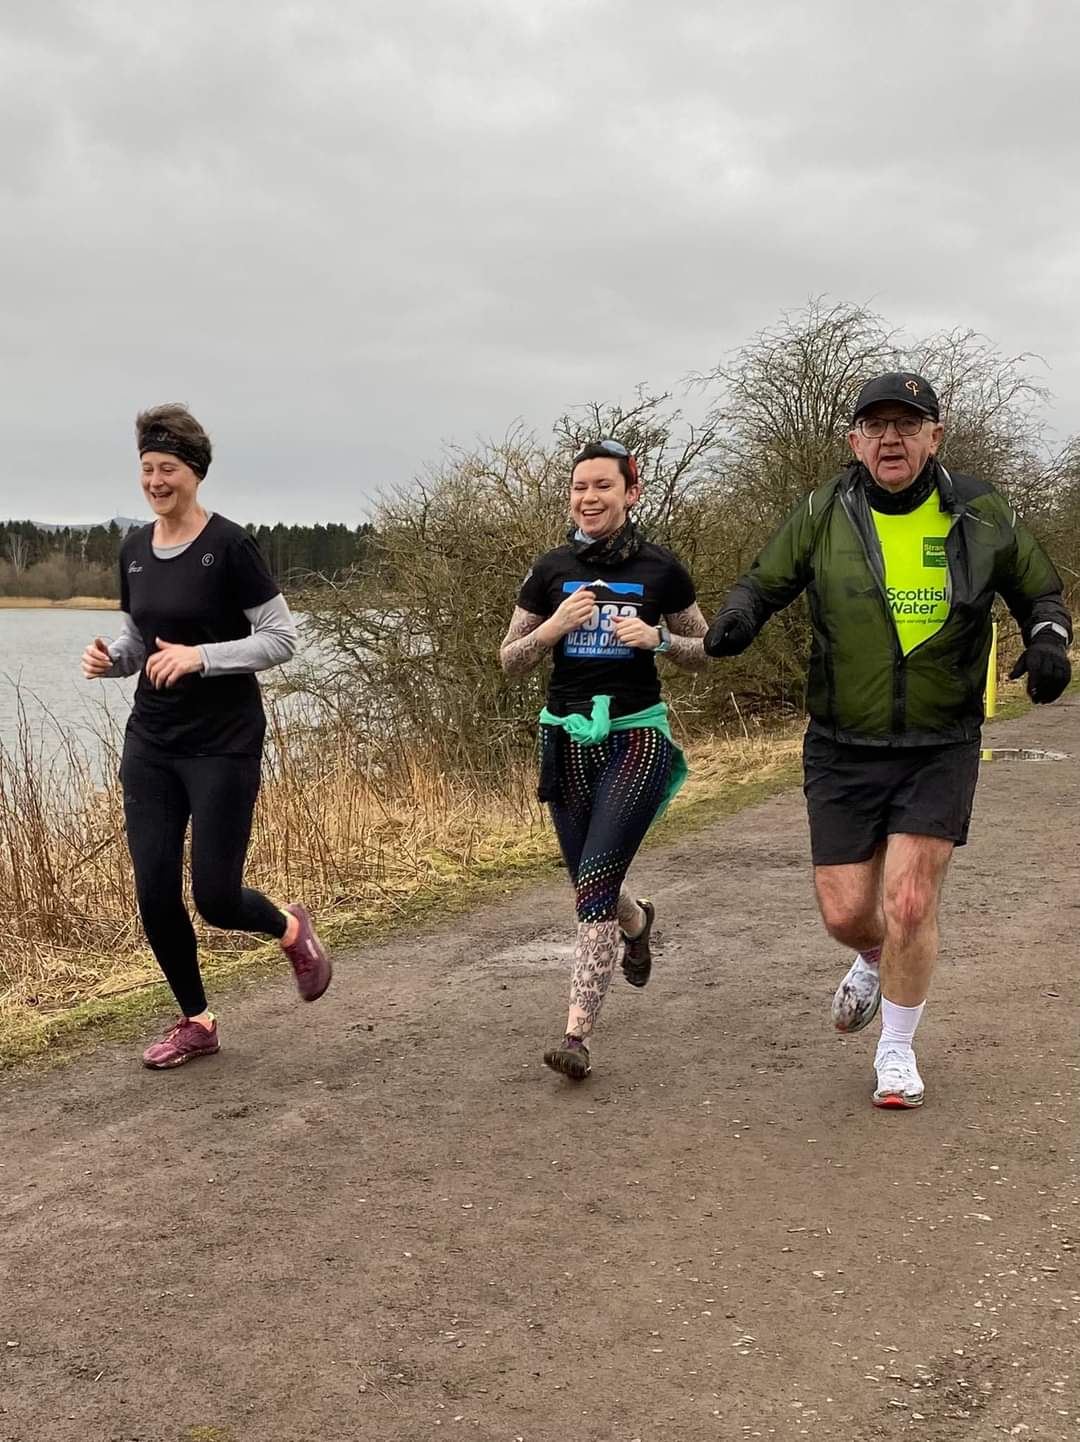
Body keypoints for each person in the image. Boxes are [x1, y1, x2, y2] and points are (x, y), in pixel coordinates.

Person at [704, 372, 1071, 1108]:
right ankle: (873, 960)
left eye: (908, 425)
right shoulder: (823, 510)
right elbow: (762, 579)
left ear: (936, 436)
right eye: (877, 426)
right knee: (847, 914)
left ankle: (896, 1050)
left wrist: (1049, 640)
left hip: (941, 741)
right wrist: (739, 616)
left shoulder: (980, 511)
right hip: (842, 742)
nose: (891, 438)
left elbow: (1040, 591)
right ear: (855, 442)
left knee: (909, 901)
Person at [82, 404, 331, 1068]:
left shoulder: (230, 546)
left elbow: (282, 638)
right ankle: (196, 1020)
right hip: (153, 742)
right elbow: (141, 636)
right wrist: (115, 658)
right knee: (154, 889)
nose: (155, 481)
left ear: (194, 472)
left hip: (223, 742)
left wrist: (202, 656)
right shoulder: (134, 549)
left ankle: (290, 928)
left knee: (216, 896)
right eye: (146, 469)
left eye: (167, 468)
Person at [499, 438, 708, 1078]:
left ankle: (577, 1038)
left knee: (592, 884)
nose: (589, 498)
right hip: (564, 737)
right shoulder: (551, 569)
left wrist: (660, 638)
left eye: (603, 487)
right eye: (580, 488)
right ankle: (637, 922)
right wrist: (552, 626)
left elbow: (706, 650)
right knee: (594, 882)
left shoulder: (661, 569)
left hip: (635, 735)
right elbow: (509, 660)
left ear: (631, 493)